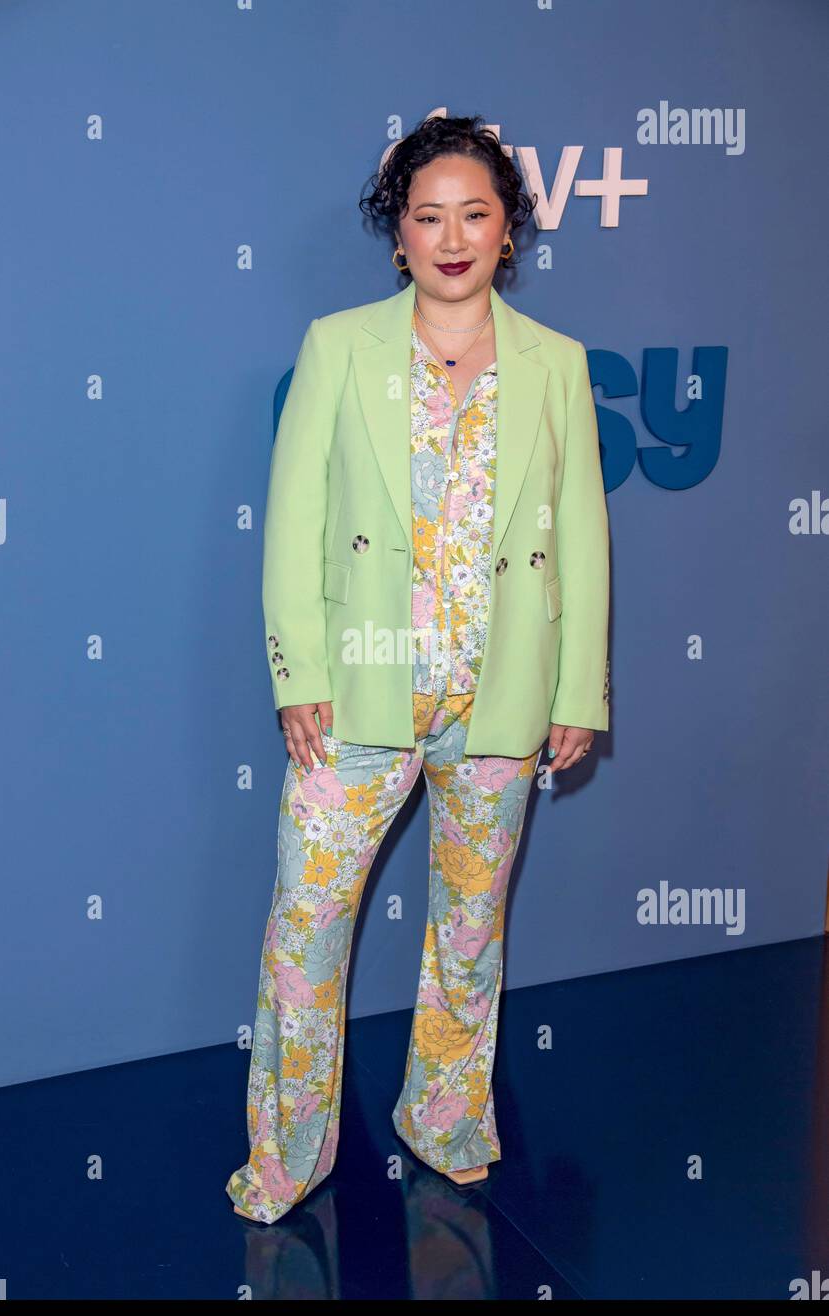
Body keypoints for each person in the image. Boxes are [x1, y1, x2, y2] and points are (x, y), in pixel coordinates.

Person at [226, 113, 610, 1225]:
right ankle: (289, 1154)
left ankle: (443, 1118)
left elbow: (579, 535)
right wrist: (297, 671)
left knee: (470, 928)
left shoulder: (557, 365)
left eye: (474, 214)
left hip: (501, 693)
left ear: (508, 231)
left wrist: (575, 687)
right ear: (397, 236)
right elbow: (292, 522)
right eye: (426, 215)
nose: (450, 237)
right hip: (358, 691)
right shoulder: (338, 346)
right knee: (305, 933)